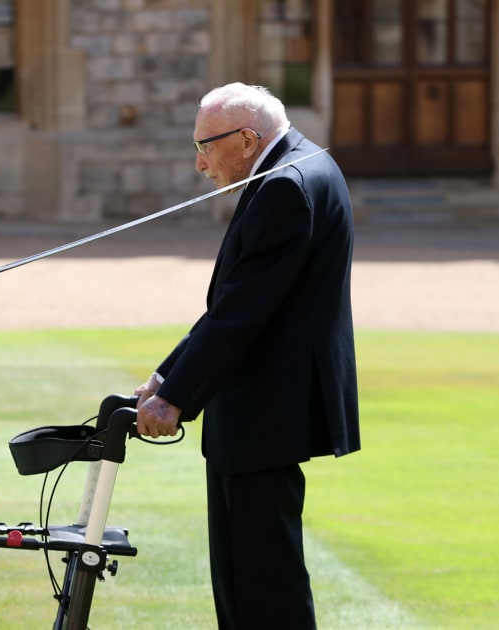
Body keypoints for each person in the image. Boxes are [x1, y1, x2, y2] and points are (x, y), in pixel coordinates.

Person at [133, 83, 360, 628]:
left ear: (247, 139)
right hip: (262, 406)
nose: (199, 163)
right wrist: (166, 376)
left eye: (205, 147)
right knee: (245, 577)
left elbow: (241, 313)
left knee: (263, 583)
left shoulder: (285, 185)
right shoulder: (298, 165)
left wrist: (175, 399)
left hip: (265, 409)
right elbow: (235, 303)